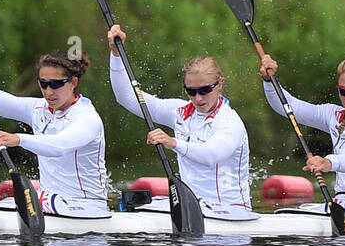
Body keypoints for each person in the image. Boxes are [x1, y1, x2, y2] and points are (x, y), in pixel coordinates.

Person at [0, 29, 109, 217]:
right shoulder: (38, 109)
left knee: (14, 204)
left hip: (87, 207)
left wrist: (18, 139)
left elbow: (60, 146)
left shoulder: (87, 118)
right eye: (43, 84)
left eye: (56, 84)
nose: (48, 92)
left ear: (73, 82)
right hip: (51, 201)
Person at [107, 24, 257, 220]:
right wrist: (116, 55)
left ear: (220, 84)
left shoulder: (230, 122)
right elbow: (126, 97)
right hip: (193, 208)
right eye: (191, 92)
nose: (198, 98)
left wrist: (173, 143)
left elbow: (211, 155)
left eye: (205, 90)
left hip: (230, 213)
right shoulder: (179, 112)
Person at [257, 53, 345, 220]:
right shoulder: (334, 115)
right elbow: (288, 107)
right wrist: (269, 81)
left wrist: (328, 162)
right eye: (343, 91)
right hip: (342, 206)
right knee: (289, 213)